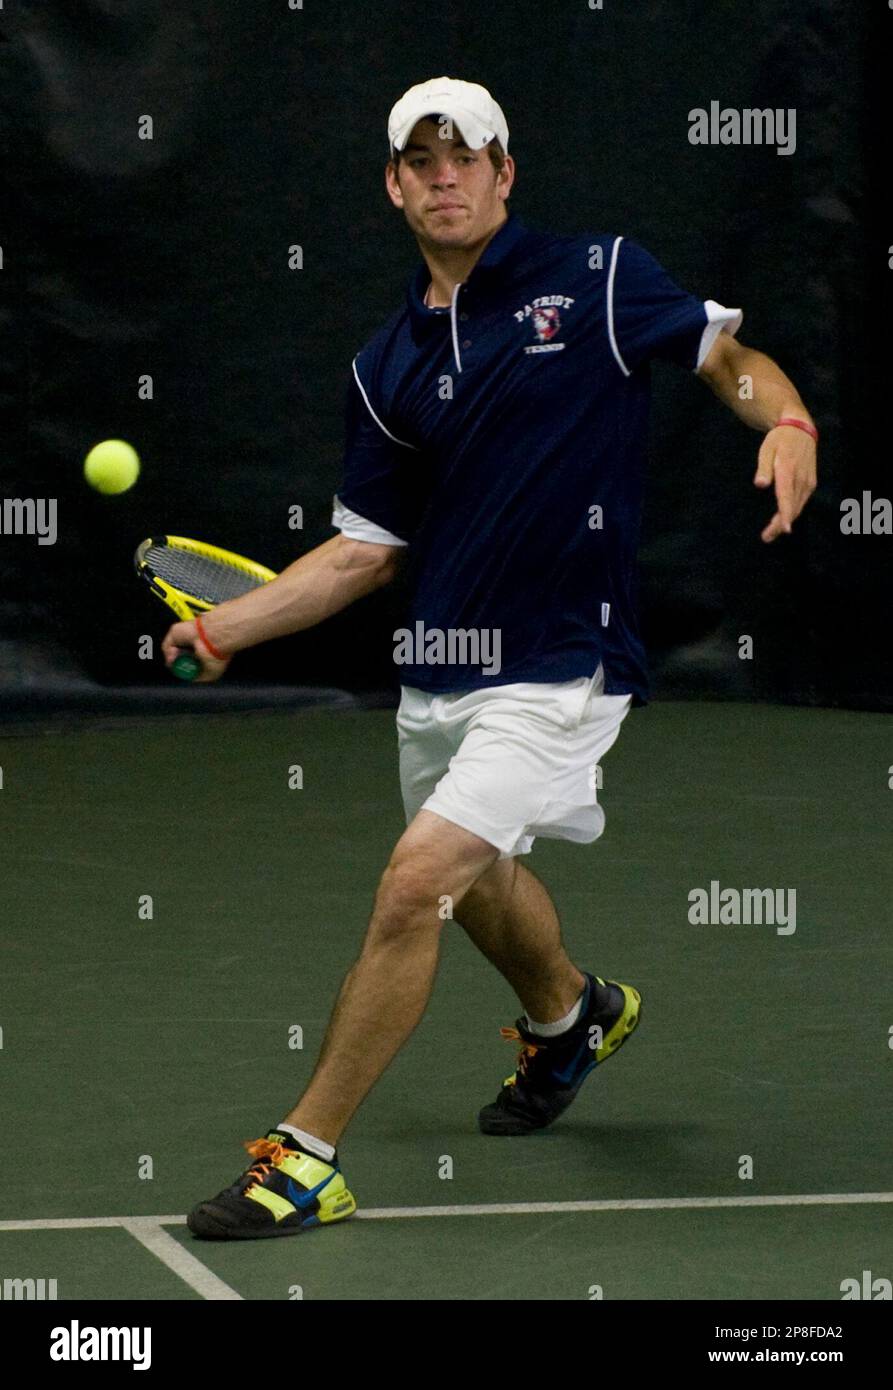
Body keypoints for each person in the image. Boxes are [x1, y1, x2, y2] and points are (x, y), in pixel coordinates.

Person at [162, 77, 818, 1240]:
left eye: (466, 156)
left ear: (504, 173)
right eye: (421, 161)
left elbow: (728, 358)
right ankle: (572, 1017)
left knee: (418, 879)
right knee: (475, 891)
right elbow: (361, 556)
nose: (445, 176)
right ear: (394, 185)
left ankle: (302, 1156)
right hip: (439, 674)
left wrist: (786, 423)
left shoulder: (600, 276)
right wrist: (223, 627)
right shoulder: (385, 366)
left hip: (562, 666)